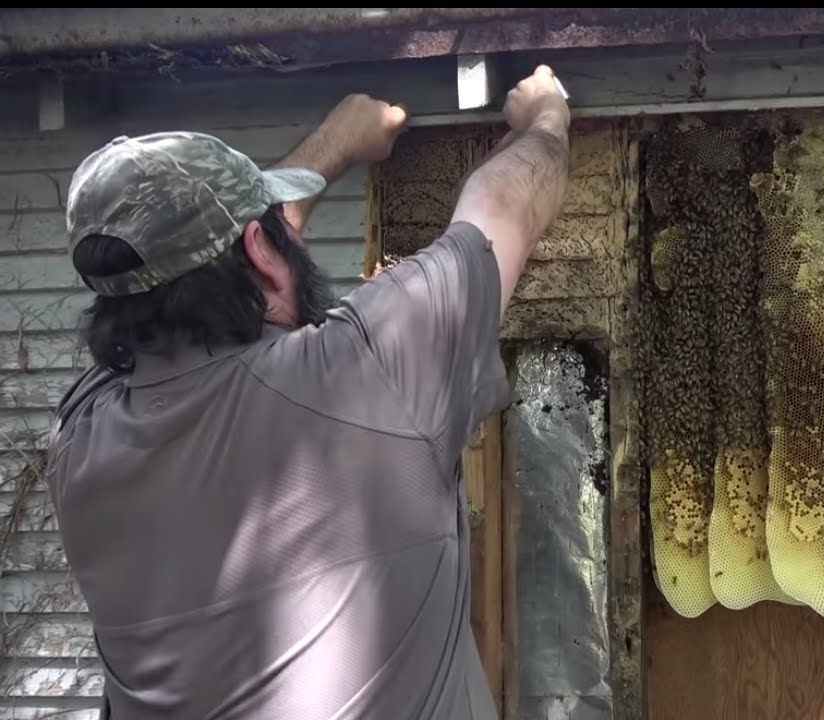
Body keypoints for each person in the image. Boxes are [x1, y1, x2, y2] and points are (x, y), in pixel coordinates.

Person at [41, 66, 571, 719]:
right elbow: (506, 204)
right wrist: (547, 115)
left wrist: (335, 147)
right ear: (262, 251)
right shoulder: (362, 375)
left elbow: (209, 251)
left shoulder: (78, 443)